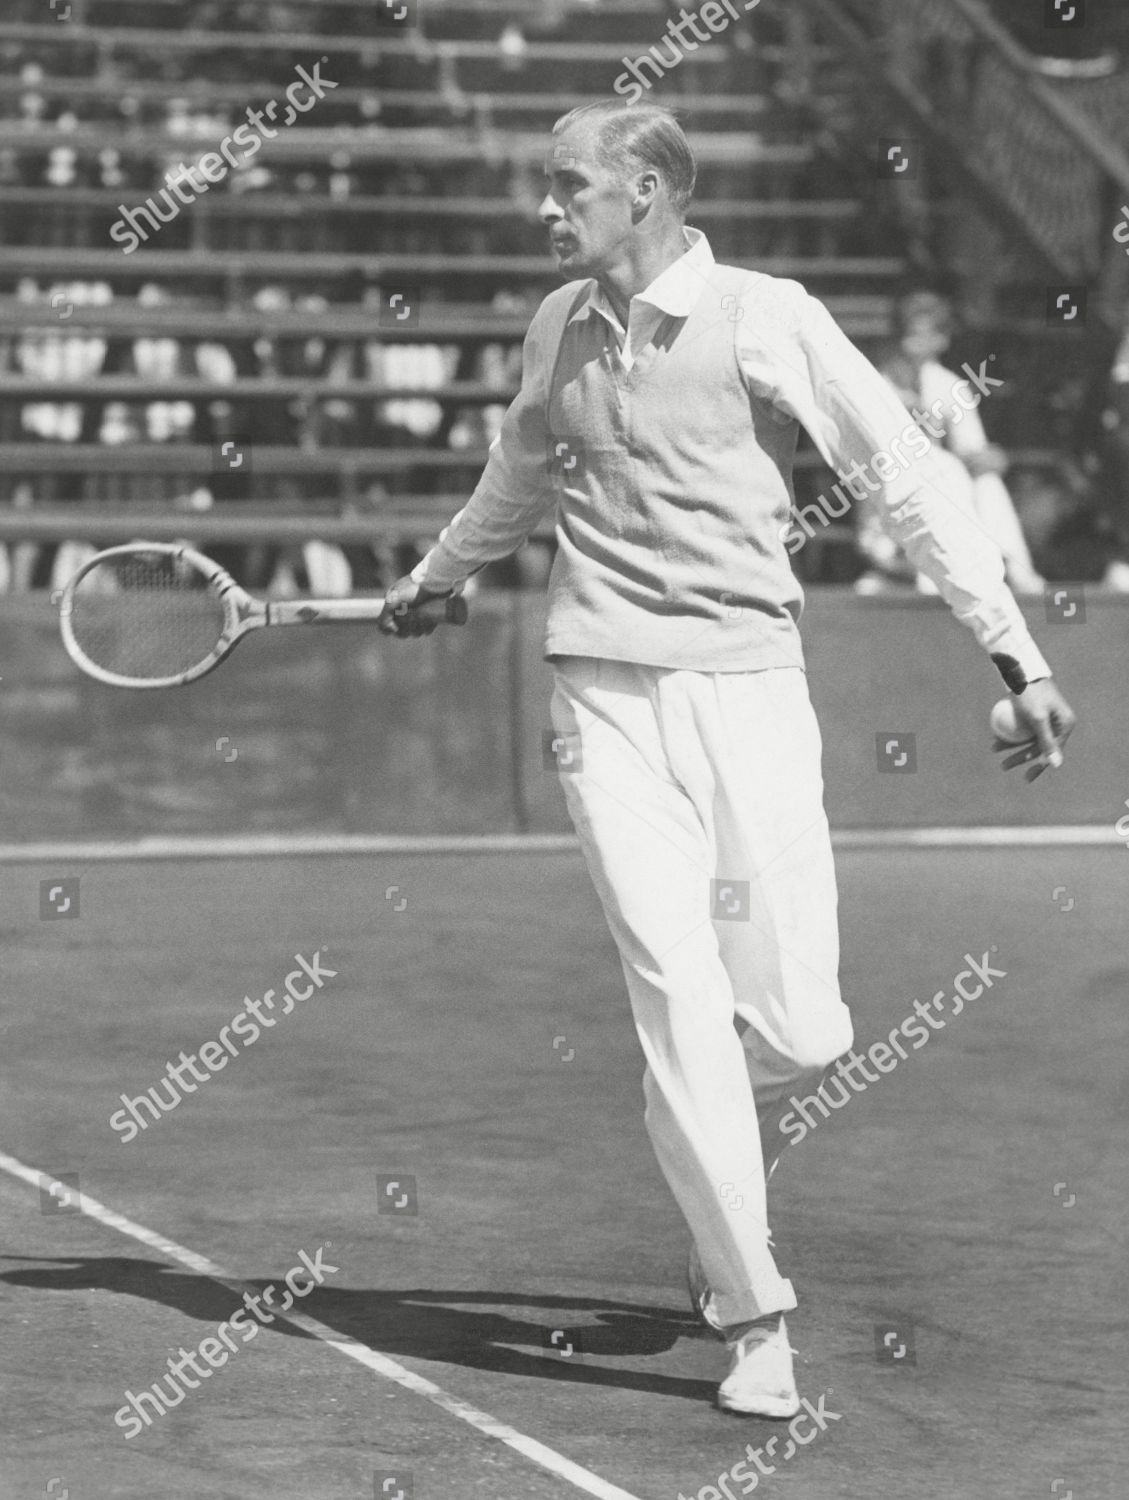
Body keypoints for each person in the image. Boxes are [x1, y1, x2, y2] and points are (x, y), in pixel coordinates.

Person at [375, 100, 1076, 1418]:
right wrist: (437, 576)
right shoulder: (552, 327)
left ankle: (696, 1123)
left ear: (644, 190)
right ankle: (755, 1314)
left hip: (748, 693)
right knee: (675, 990)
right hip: (601, 699)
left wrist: (1015, 654)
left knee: (804, 1029)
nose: (545, 207)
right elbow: (518, 475)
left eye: (568, 186)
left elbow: (904, 475)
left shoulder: (768, 314)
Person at [856, 289, 1046, 597]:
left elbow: (972, 451)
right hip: (891, 503)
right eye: (910, 332)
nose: (918, 340)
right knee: (942, 464)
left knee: (987, 483)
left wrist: (990, 458)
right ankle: (926, 574)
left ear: (941, 339)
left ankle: (1019, 571)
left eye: (927, 332)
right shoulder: (875, 384)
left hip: (948, 501)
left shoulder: (949, 386)